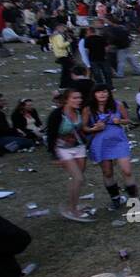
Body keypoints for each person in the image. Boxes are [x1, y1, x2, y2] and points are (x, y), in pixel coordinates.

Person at [82, 85, 138, 212]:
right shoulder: (88, 109)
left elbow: (128, 120)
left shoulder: (118, 104)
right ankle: (115, 198)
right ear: (94, 94)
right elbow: (84, 127)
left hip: (118, 141)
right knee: (107, 172)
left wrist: (120, 121)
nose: (102, 95)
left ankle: (134, 202)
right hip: (100, 142)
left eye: (105, 92)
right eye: (99, 92)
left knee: (127, 171)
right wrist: (93, 129)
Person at [45, 88, 95, 223]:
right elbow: (50, 136)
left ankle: (73, 204)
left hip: (79, 148)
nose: (78, 100)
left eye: (79, 98)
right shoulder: (56, 114)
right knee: (78, 178)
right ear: (66, 99)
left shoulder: (79, 111)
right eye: (74, 98)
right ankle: (73, 210)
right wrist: (54, 156)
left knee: (78, 179)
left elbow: (81, 129)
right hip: (63, 149)